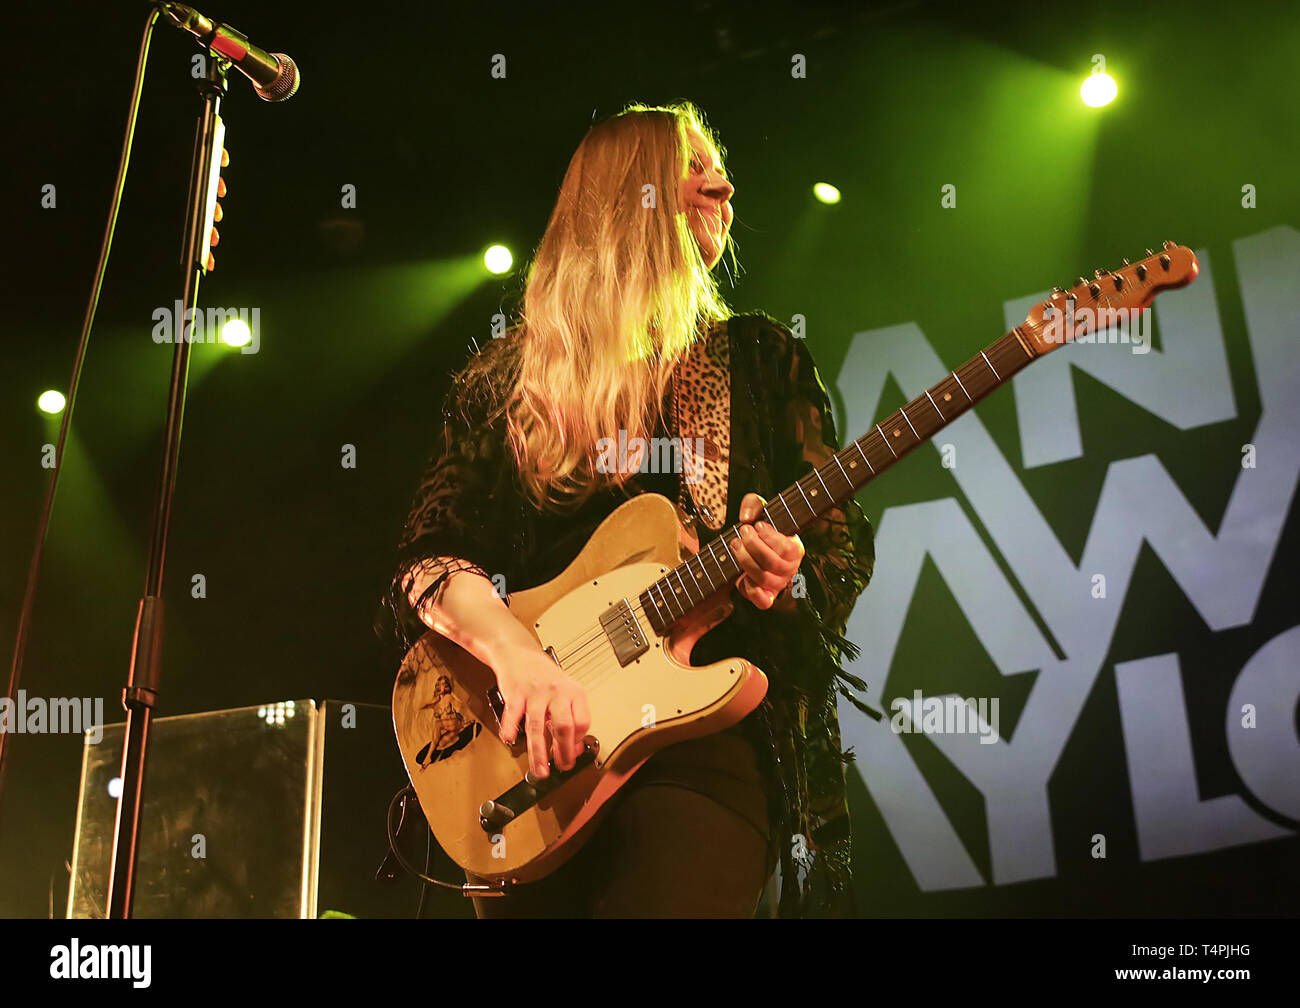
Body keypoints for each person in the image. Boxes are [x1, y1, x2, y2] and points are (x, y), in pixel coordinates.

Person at [381, 101, 877, 918]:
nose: (723, 181)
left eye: (716, 164)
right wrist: (520, 661)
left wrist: (785, 576)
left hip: (698, 755)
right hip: (527, 757)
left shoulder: (756, 360)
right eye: (690, 165)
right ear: (627, 196)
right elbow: (429, 559)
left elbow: (836, 551)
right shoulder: (510, 382)